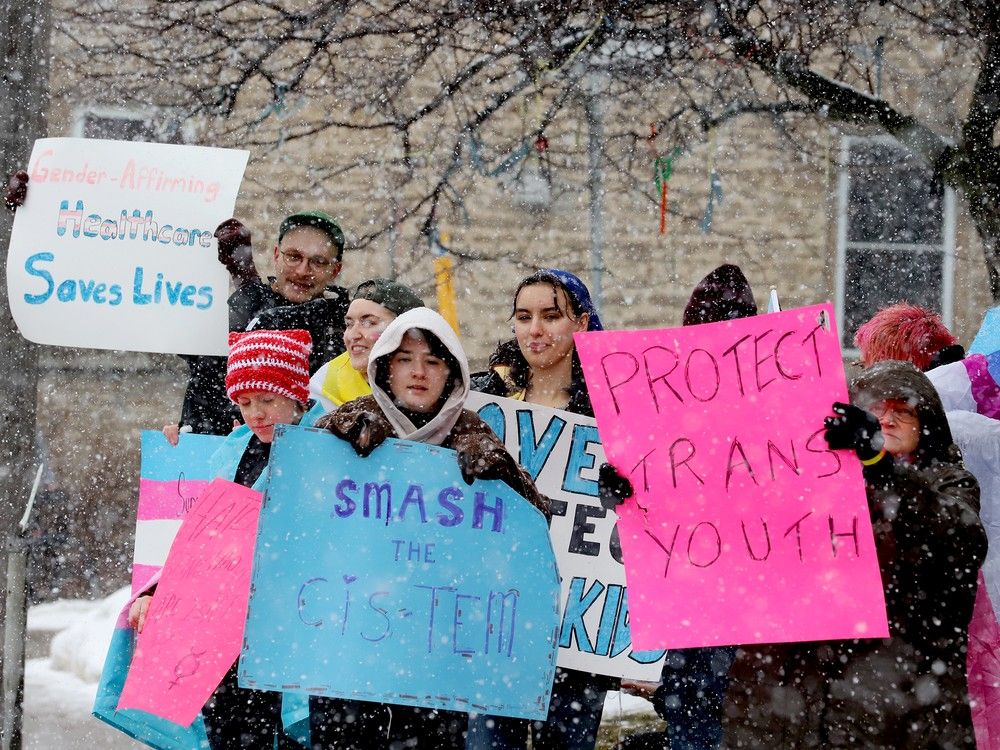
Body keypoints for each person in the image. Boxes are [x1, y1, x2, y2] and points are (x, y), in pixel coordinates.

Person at [312, 306, 548, 748]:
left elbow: (534, 526)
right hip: (351, 640)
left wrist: (503, 476)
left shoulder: (471, 433)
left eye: (433, 361)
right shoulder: (350, 421)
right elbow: (299, 503)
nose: (418, 373)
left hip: (435, 652)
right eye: (405, 360)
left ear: (452, 373)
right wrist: (338, 437)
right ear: (384, 368)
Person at [721, 360, 986, 749]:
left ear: (926, 421)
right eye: (875, 411)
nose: (887, 420)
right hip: (810, 704)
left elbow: (959, 540)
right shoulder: (815, 487)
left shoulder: (949, 482)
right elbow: (726, 529)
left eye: (902, 410)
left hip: (907, 705)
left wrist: (881, 469)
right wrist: (637, 496)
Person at [131, 329, 326, 750]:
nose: (256, 413)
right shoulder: (233, 448)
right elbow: (198, 537)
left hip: (288, 628)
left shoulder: (326, 448)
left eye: (268, 399)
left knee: (279, 733)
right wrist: (179, 451)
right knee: (226, 732)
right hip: (220, 632)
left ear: (297, 396)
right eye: (245, 402)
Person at [598, 264, 756, 750]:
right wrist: (623, 500)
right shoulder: (662, 428)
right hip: (694, 640)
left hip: (758, 643)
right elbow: (625, 551)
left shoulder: (785, 430)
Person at [469, 268, 610, 750]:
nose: (536, 330)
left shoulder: (611, 414)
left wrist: (624, 489)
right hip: (497, 623)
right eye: (524, 316)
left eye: (552, 316)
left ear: (582, 325)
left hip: (576, 629)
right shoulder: (485, 401)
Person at [308, 278, 424, 411]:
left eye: (369, 323)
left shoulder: (433, 377)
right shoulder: (327, 381)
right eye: (349, 324)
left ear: (408, 331)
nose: (352, 335)